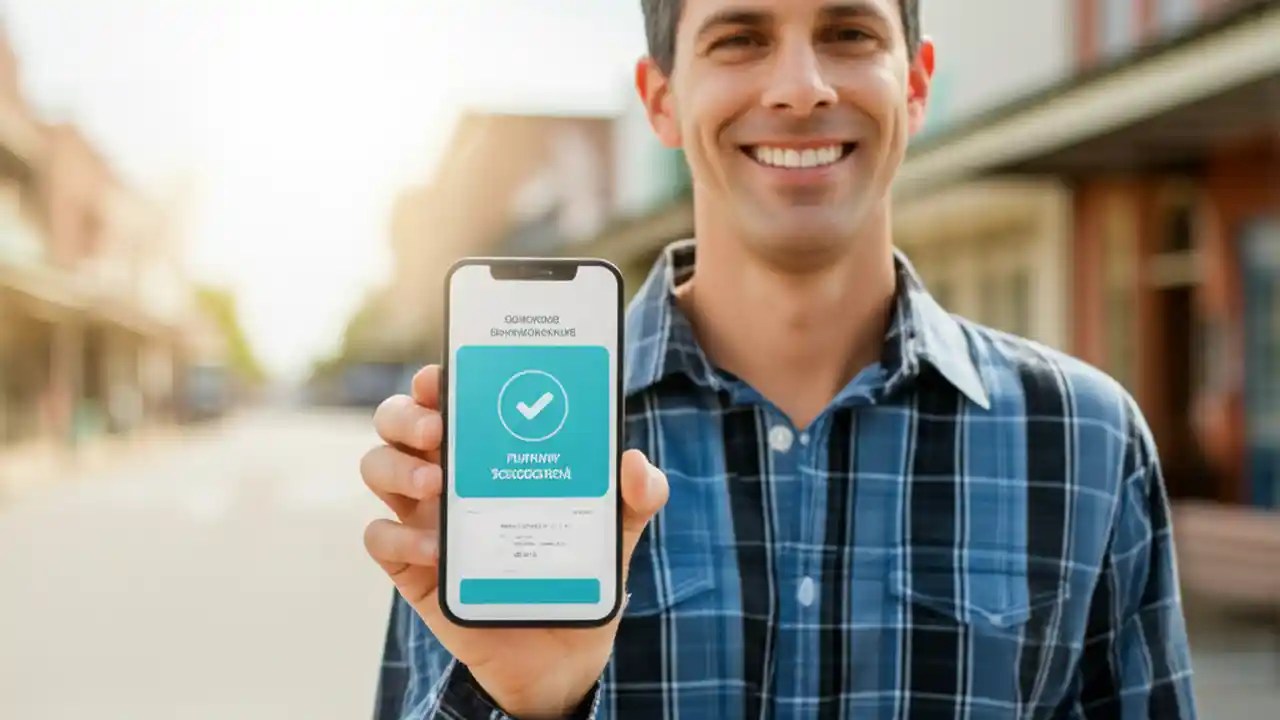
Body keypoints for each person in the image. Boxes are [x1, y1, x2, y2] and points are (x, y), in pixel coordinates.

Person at [360, 0, 1198, 717]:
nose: (801, 88)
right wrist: (523, 706)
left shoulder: (1087, 441)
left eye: (848, 33)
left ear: (915, 81)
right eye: (740, 38)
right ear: (660, 99)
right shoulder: (493, 446)